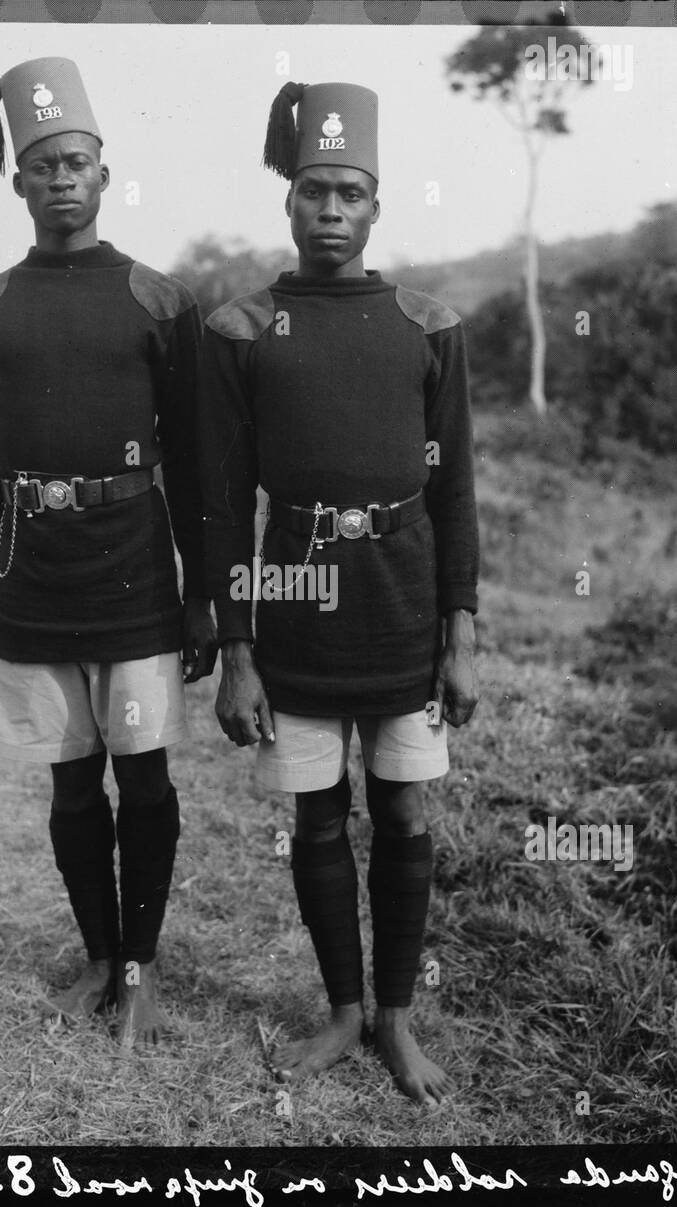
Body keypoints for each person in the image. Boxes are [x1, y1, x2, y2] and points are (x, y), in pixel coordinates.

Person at [199, 81, 479, 1104]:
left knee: (402, 811)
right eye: (313, 189)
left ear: (375, 206)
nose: (329, 208)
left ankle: (397, 1016)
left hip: (402, 606)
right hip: (294, 610)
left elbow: (455, 490)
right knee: (316, 820)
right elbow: (224, 506)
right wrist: (236, 651)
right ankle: (344, 1009)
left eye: (349, 191)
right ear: (288, 200)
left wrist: (461, 634)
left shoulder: (426, 323)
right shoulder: (240, 328)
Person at [0, 57, 216, 1042]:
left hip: (138, 575)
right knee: (72, 780)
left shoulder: (159, 300)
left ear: (104, 177)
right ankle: (100, 960)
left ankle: (141, 975)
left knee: (142, 775)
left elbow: (194, 467)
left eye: (78, 162)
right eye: (43, 165)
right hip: (33, 581)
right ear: (19, 182)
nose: (62, 179)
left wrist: (202, 599)